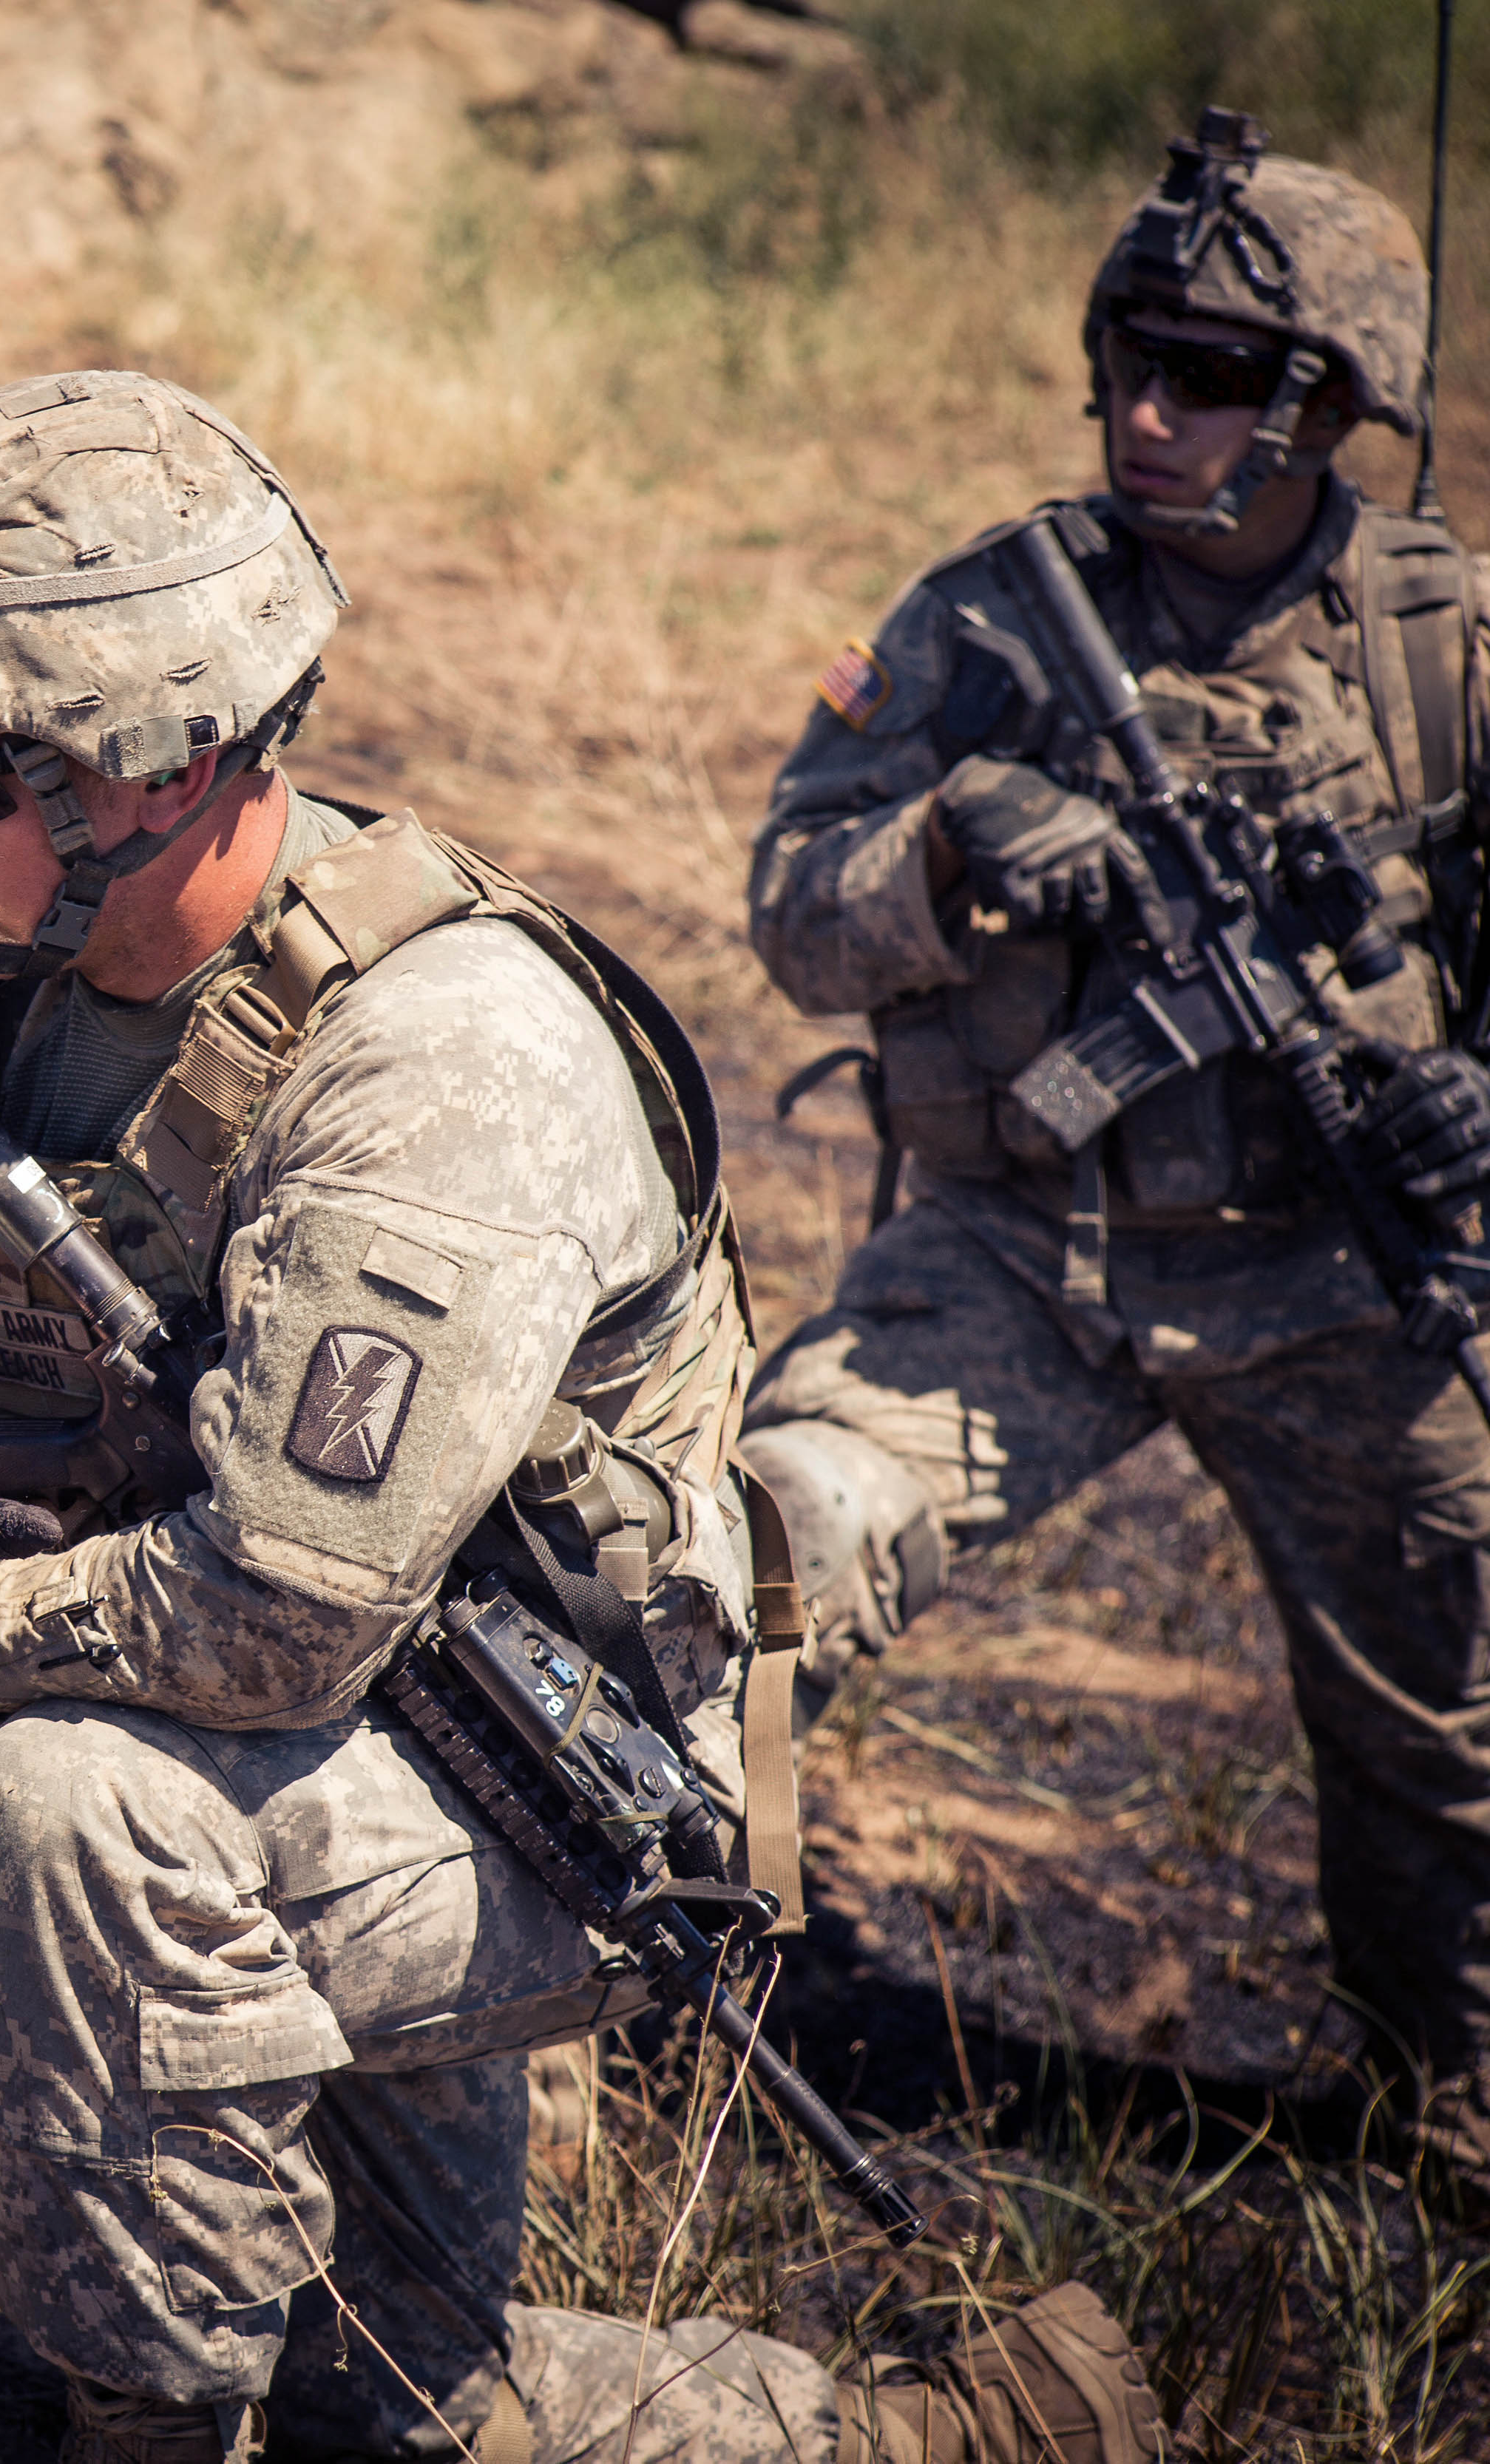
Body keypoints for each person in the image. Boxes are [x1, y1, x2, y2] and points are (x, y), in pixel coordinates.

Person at [0, 367, 1168, 2461]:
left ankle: (144, 2426)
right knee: (399, 2406)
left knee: (70, 1804)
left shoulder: (442, 1067)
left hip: (523, 1785)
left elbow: (269, 1616)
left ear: (149, 761)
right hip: (284, 1712)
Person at [739, 109, 1490, 2195]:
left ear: (1334, 402)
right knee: (755, 1552)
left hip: (1350, 1281)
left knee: (1449, 1748)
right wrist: (956, 848)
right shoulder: (990, 620)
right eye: (1127, 357)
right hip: (1022, 1254)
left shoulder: (1447, 653)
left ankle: (1442, 2111)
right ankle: (695, 1961)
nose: (1147, 411)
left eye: (1219, 376)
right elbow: (793, 909)